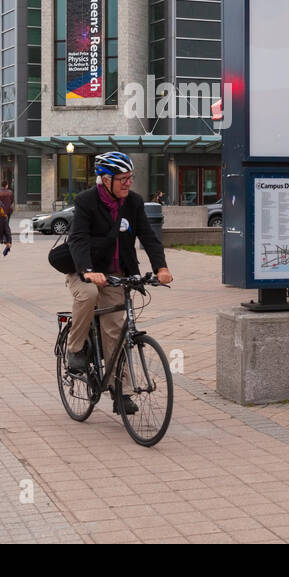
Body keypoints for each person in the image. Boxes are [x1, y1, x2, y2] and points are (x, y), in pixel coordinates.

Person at [64, 152, 173, 415]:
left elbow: (148, 236)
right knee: (88, 295)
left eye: (130, 178)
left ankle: (120, 392)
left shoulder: (133, 203)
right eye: (122, 179)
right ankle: (75, 350)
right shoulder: (86, 201)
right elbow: (77, 239)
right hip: (84, 271)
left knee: (115, 333)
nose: (128, 183)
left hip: (117, 275)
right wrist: (88, 270)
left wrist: (161, 267)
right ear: (106, 179)